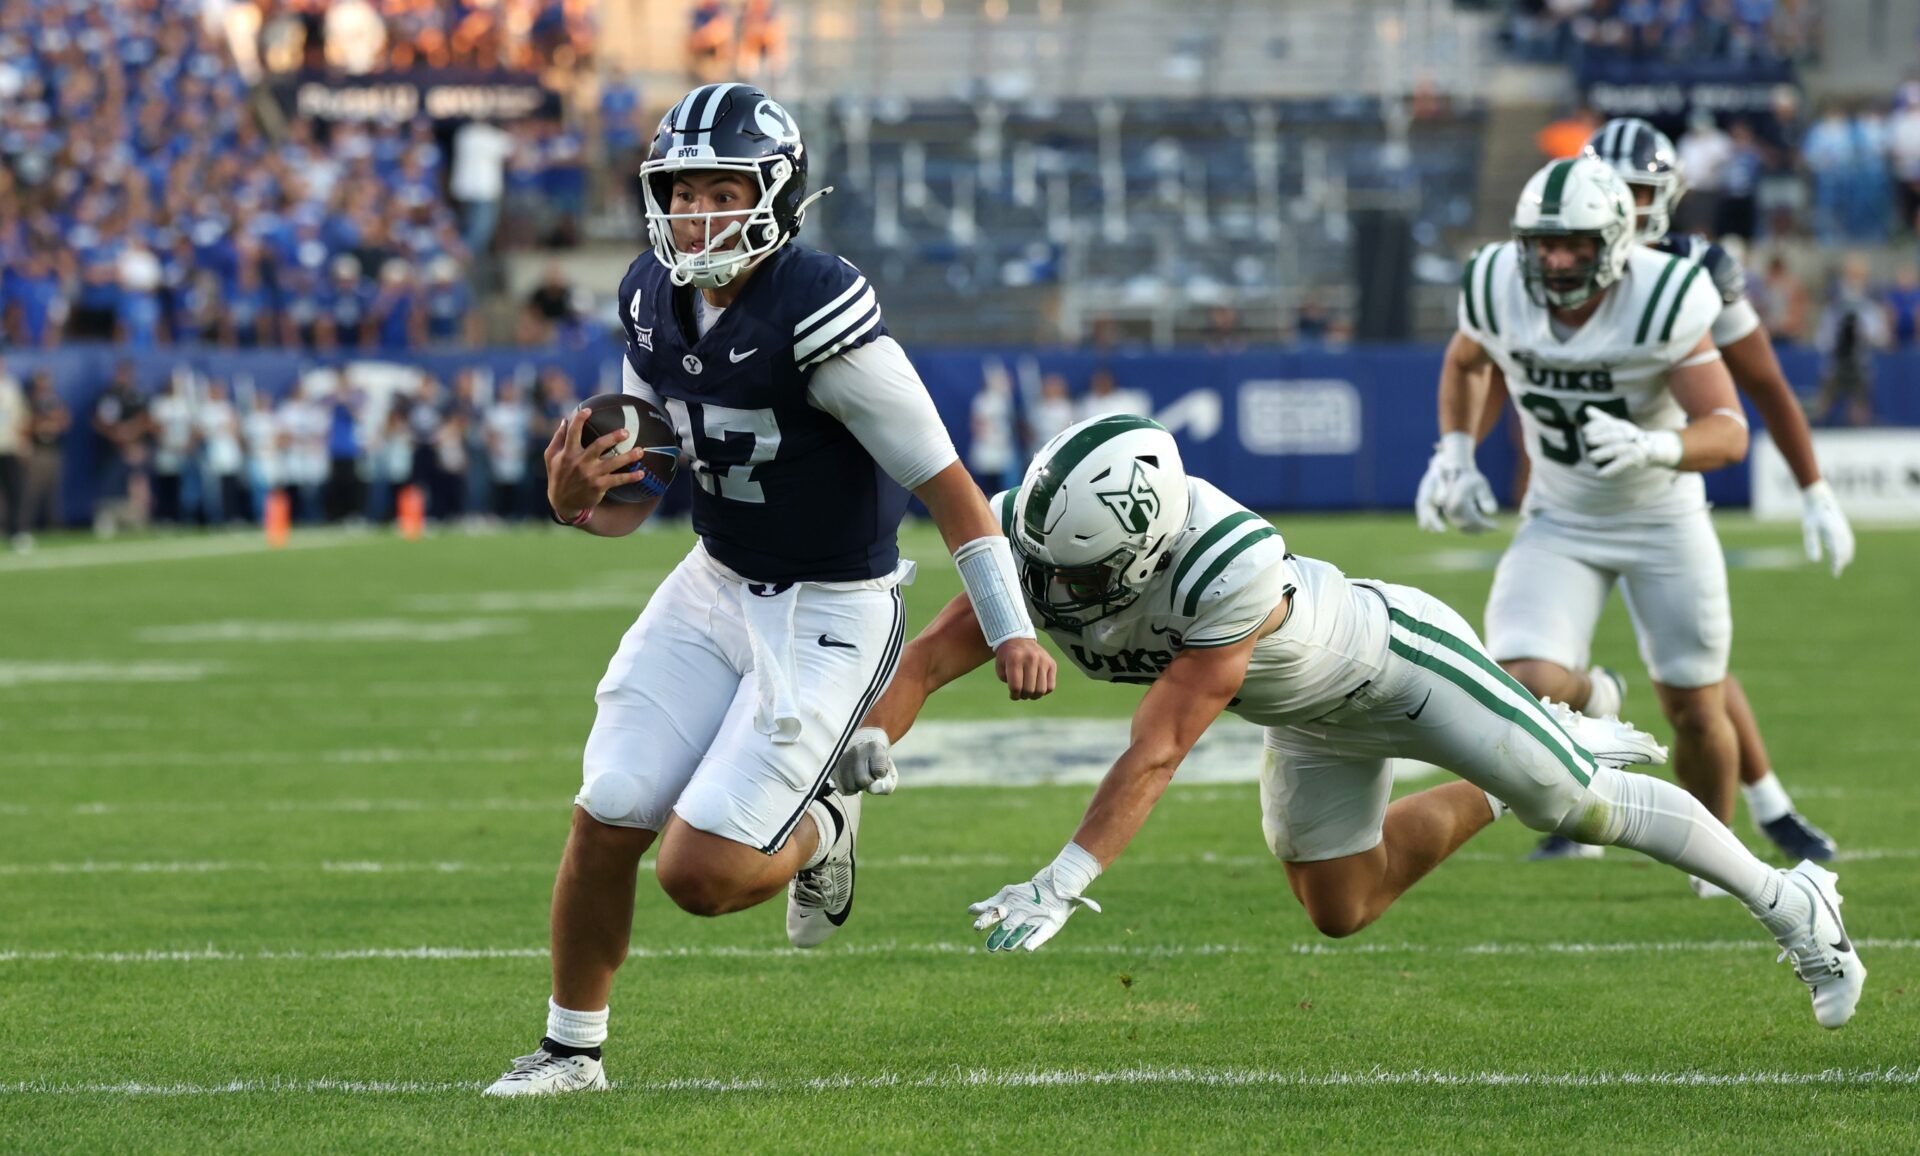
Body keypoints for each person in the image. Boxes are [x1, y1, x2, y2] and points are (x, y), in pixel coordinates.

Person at [833, 414, 1864, 1030]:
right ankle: (1535, 751)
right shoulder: (1036, 535)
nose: (1057, 586)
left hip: (1397, 665)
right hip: (1309, 720)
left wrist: (1064, 880)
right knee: (1342, 908)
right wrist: (873, 740)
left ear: (1150, 541)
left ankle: (1797, 908)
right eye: (1047, 561)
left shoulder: (1224, 563)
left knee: (1578, 803)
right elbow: (925, 659)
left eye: (1084, 571)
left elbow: (1159, 748)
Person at [484, 82, 1055, 1097]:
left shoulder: (820, 312)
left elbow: (954, 492)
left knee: (698, 876)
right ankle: (572, 1053)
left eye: (722, 190)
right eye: (682, 192)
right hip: (712, 580)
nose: (697, 214)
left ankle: (825, 829)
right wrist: (572, 497)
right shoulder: (649, 300)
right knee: (608, 809)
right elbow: (644, 478)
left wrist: (1009, 628)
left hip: (834, 606)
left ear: (779, 196)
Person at [1416, 157, 1758, 895]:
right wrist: (1453, 456)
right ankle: (1596, 700)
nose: (1557, 259)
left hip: (1662, 515)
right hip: (1561, 516)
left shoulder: (1663, 294)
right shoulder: (1495, 283)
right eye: (1543, 243)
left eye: (1573, 243)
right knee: (1520, 681)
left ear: (1616, 238)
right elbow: (1466, 360)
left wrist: (1657, 444)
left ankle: (1719, 865)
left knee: (1696, 710)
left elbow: (1729, 432)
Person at [1535, 118, 1849, 864]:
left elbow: (1763, 381)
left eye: (1641, 191)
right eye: (1614, 190)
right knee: (1544, 662)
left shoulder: (1693, 270)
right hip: (1570, 496)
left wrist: (1815, 490)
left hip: (1661, 490)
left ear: (1668, 196)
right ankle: (1584, 805)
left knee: (1695, 682)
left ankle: (1765, 811)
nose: (1629, 208)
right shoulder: (1551, 262)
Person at [1810, 254, 1890, 428]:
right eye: (1851, 276)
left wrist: (1863, 335)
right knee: (1823, 404)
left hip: (1860, 365)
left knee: (1859, 407)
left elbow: (1881, 337)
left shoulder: (1869, 308)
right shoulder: (1834, 308)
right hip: (1836, 365)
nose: (1854, 282)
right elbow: (1822, 341)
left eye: (1858, 276)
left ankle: (1861, 443)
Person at [20, 371, 70, 544]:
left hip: (52, 450)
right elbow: (25, 424)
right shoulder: (28, 401)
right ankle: (23, 527)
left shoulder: (54, 400)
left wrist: (50, 422)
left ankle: (54, 525)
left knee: (53, 491)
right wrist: (42, 423)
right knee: (30, 491)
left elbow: (64, 421)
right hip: (36, 451)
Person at [967, 368, 1017, 493]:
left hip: (1002, 447)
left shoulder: (1005, 400)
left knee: (1001, 482)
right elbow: (976, 422)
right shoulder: (982, 399)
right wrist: (987, 438)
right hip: (986, 446)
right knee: (985, 480)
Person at [0, 360, 24, 546]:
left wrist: (22, 443)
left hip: (8, 447)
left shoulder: (10, 387)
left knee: (14, 491)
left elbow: (20, 417)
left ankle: (15, 532)